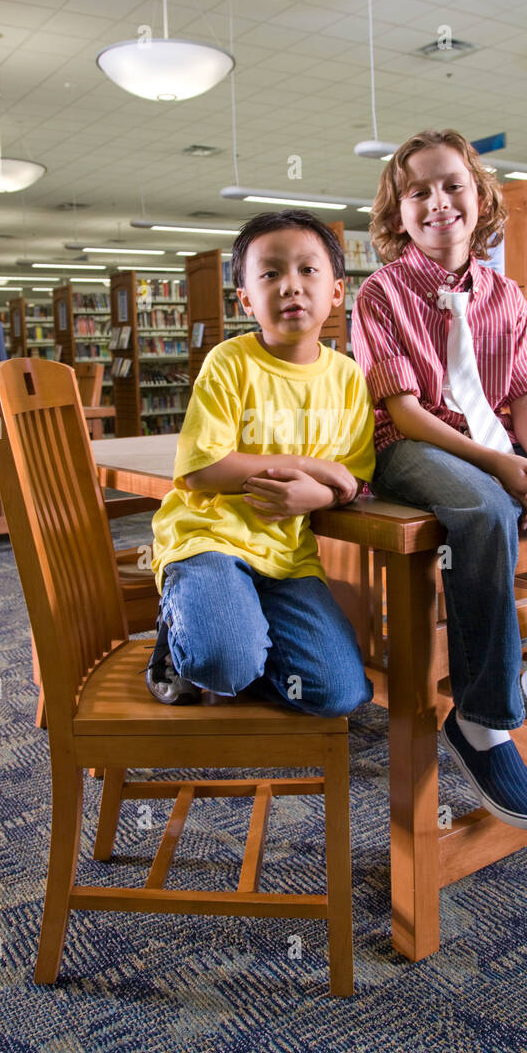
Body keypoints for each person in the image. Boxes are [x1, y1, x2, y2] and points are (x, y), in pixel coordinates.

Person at [351, 128, 527, 830]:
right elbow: (406, 414)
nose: (438, 202)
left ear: (480, 199)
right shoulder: (381, 293)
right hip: (416, 444)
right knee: (484, 511)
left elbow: (523, 397)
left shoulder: (504, 295)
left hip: (496, 435)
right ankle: (483, 720)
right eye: (418, 192)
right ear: (397, 213)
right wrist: (502, 469)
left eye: (453, 185)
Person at [147, 208, 375, 719]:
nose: (290, 286)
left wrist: (321, 494)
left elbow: (353, 475)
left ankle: (240, 645)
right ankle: (179, 648)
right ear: (247, 299)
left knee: (341, 695)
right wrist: (308, 467)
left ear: (338, 291)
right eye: (270, 274)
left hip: (290, 556)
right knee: (223, 661)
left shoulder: (347, 377)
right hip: (210, 540)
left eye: (307, 270)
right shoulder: (229, 361)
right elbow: (202, 470)